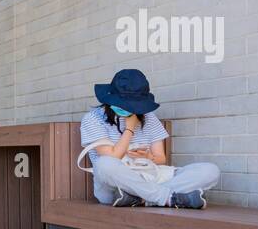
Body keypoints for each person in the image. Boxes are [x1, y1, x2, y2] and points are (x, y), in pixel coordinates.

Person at [81, 68, 220, 209]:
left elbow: (161, 158)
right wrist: (130, 129)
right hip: (116, 185)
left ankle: (142, 199)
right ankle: (167, 197)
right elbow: (113, 157)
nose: (129, 107)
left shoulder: (149, 118)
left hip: (151, 176)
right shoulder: (93, 118)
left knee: (210, 171)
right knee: (104, 164)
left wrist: (148, 157)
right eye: (124, 102)